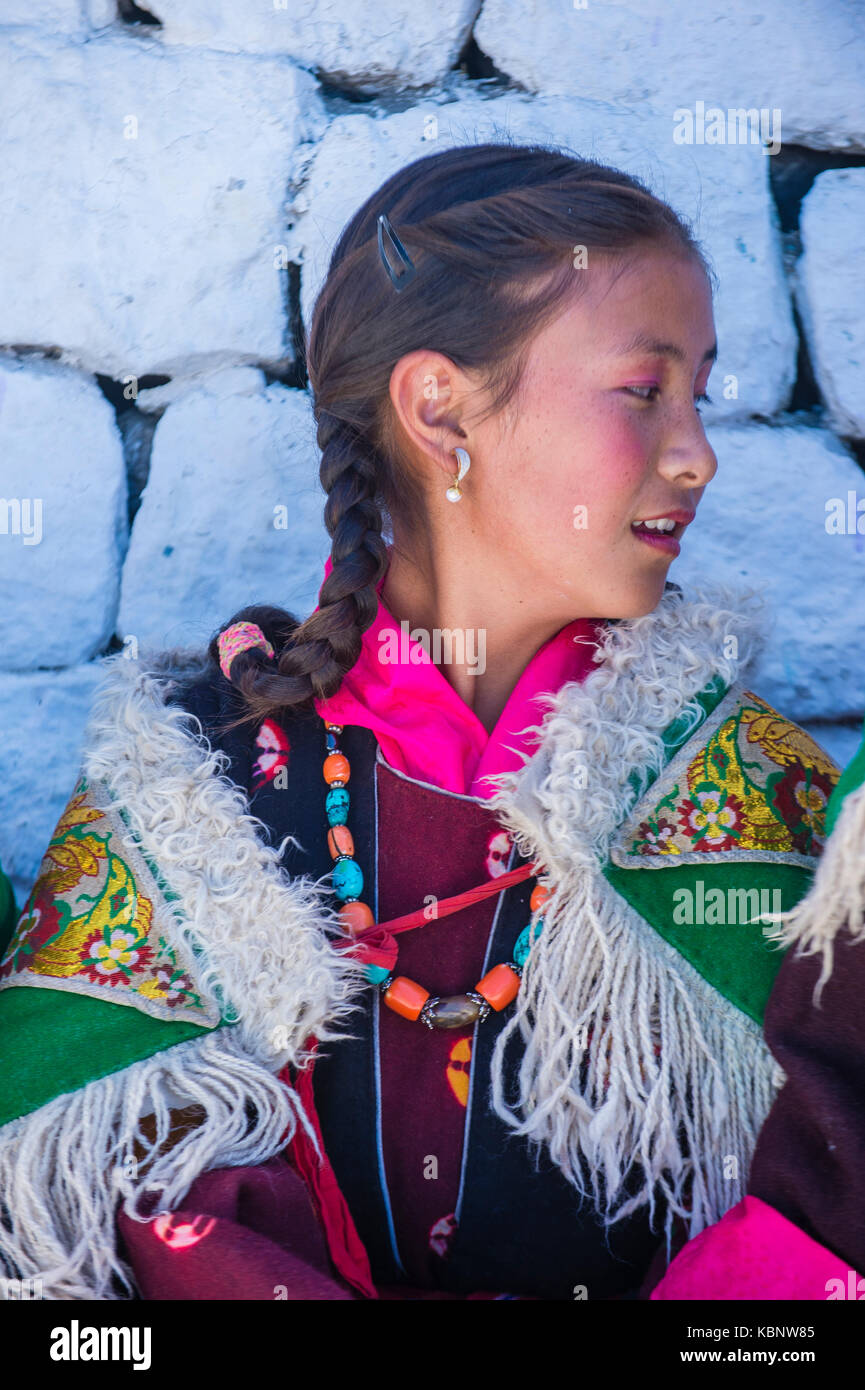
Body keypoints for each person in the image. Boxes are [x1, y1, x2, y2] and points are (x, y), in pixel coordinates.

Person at [0, 142, 861, 1302]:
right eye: (644, 390)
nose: (698, 454)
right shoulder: (184, 794)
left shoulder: (754, 798)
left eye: (698, 396)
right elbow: (122, 1206)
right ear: (439, 408)